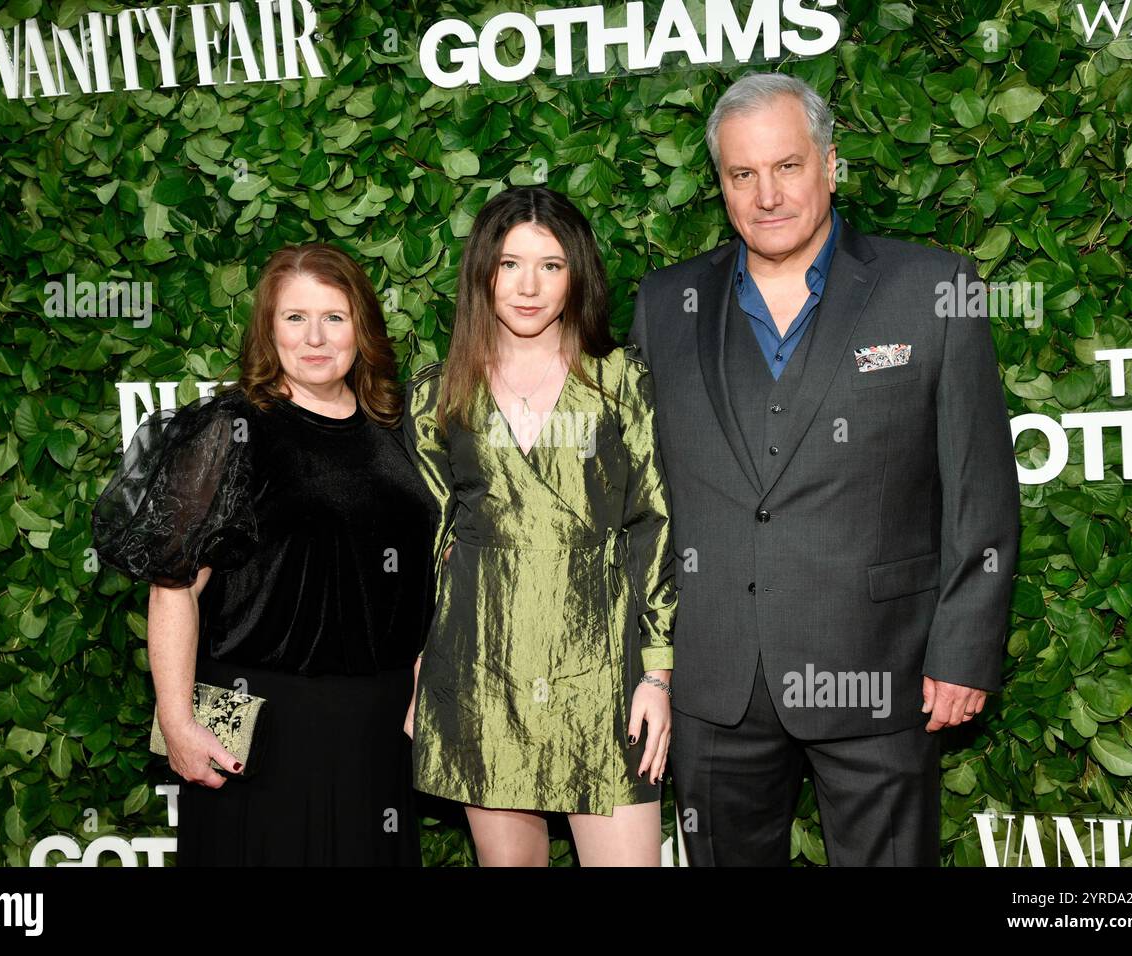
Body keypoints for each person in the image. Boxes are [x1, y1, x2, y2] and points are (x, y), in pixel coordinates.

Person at [630, 72, 1021, 865]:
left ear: (831, 165)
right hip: (717, 683)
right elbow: (646, 497)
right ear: (722, 184)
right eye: (743, 174)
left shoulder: (934, 289)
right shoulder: (666, 304)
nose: (767, 194)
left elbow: (980, 487)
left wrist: (964, 651)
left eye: (788, 166)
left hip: (885, 670)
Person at [91, 243, 436, 865]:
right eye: (294, 318)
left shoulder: (395, 431)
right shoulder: (231, 428)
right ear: (268, 330)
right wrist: (176, 720)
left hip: (376, 727)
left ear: (362, 327)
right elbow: (175, 587)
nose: (315, 338)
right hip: (259, 722)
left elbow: (416, 581)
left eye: (334, 317)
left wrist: (418, 686)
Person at [402, 185, 677, 866]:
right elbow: (431, 543)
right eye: (509, 264)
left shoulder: (619, 379)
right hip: (479, 664)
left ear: (577, 275)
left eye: (551, 266)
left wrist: (658, 674)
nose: (528, 286)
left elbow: (654, 525)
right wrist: (417, 673)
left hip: (604, 669)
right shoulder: (438, 394)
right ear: (482, 275)